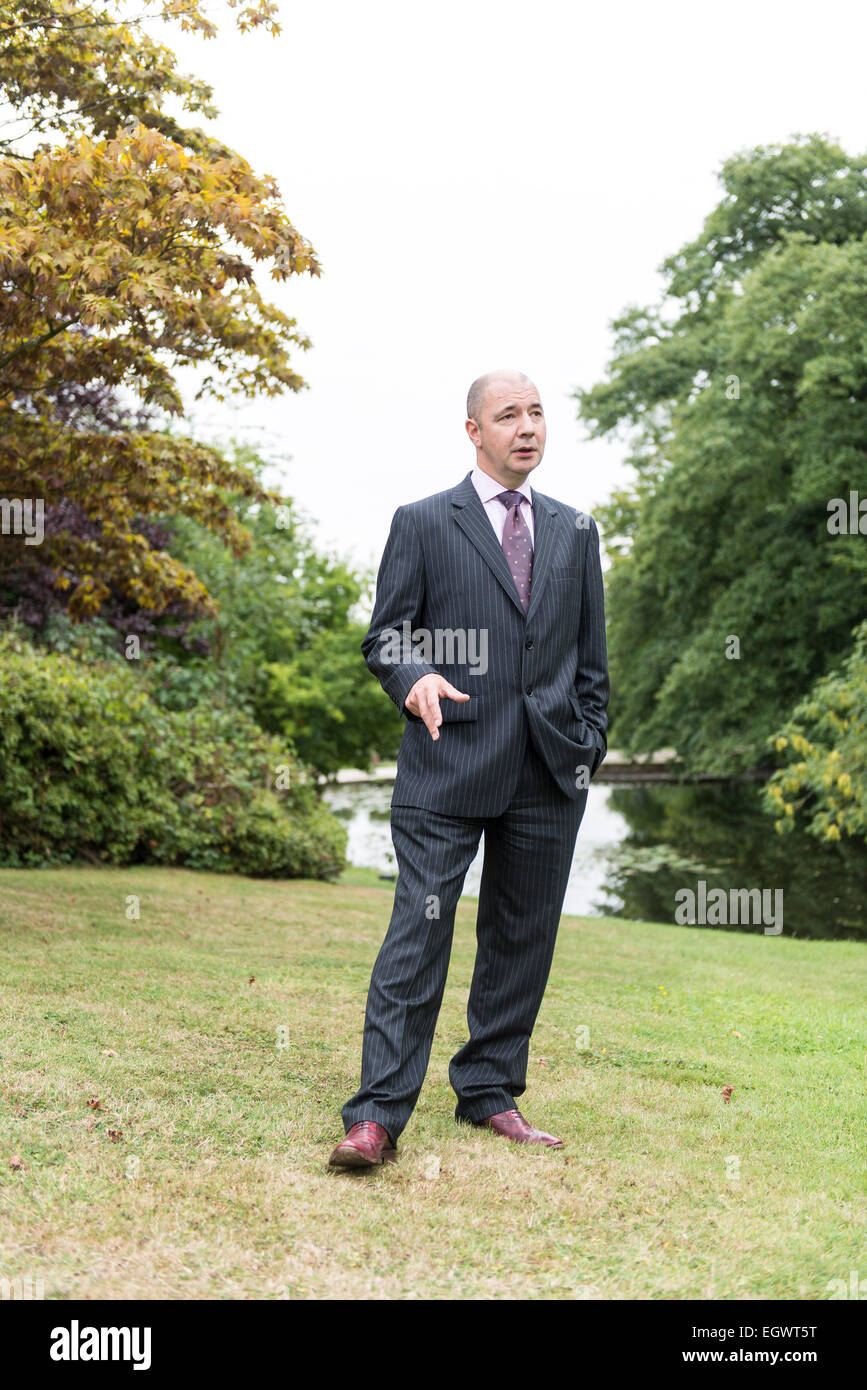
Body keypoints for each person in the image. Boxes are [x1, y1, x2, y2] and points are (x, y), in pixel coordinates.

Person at [329, 369, 609, 1167]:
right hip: (446, 762)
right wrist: (413, 676)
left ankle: (488, 1090)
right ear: (473, 431)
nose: (527, 427)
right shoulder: (421, 522)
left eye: (537, 413)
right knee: (416, 938)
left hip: (550, 771)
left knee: (521, 941)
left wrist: (586, 741)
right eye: (508, 415)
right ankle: (376, 1115)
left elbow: (591, 661)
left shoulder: (575, 531)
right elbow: (387, 634)